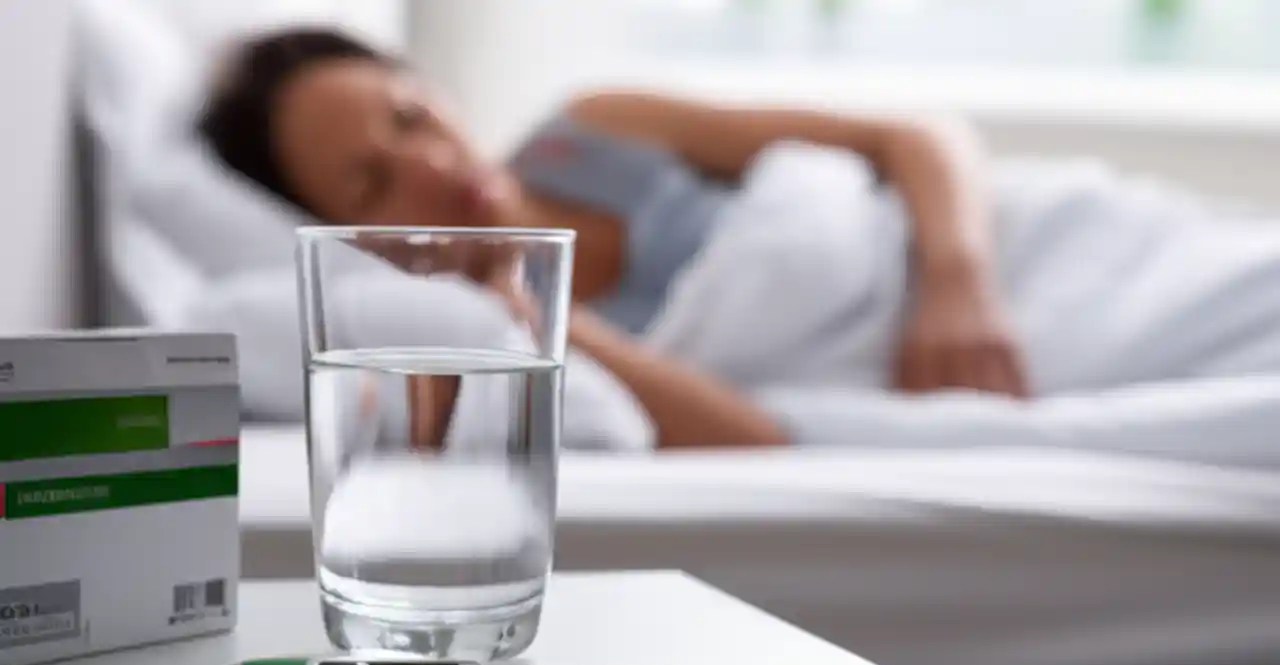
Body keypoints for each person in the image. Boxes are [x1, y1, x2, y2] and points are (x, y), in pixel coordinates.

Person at [199, 29, 1029, 448]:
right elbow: (756, 443)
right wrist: (517, 306)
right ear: (350, 237)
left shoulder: (593, 129)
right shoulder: (497, 338)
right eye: (373, 182)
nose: (430, 161)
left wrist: (958, 284)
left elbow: (915, 137)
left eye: (411, 116)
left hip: (990, 259)